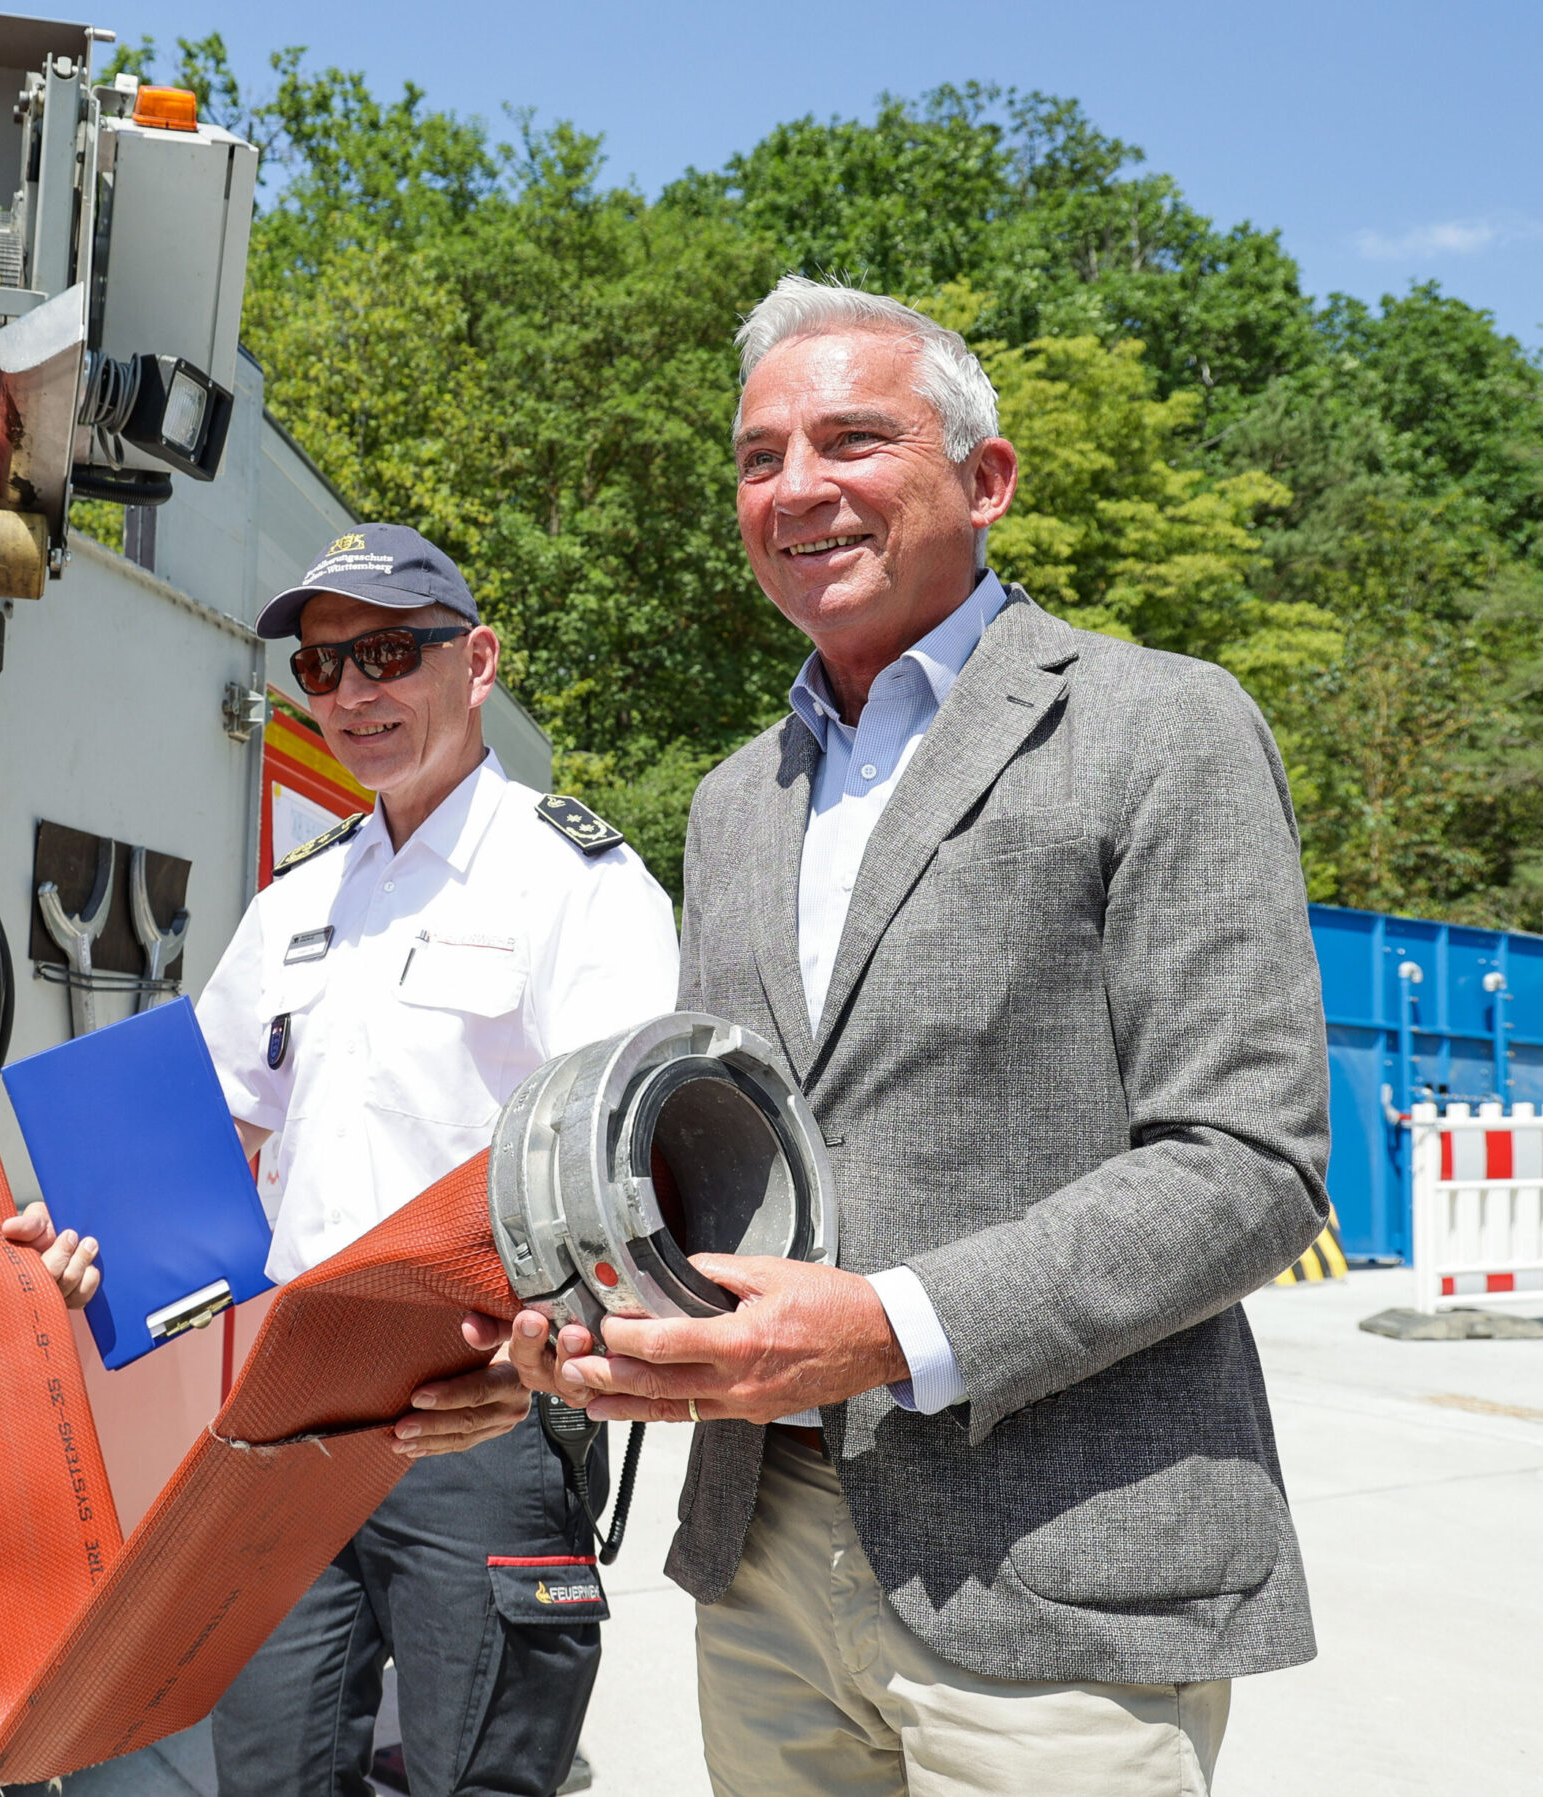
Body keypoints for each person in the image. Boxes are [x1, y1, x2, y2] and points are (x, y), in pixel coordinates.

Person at [480, 276, 1331, 1796]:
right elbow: (726, 1150)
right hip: (763, 1554)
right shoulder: (734, 801)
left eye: (852, 440)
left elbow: (1248, 1162)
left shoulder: (1161, 724)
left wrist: (889, 1327)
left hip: (1055, 1572)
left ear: (985, 480)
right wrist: (609, 1318)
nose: (795, 486)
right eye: (758, 458)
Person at [6, 523, 680, 1797]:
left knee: (477, 1782)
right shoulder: (299, 901)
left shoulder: (576, 883)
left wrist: (547, 1369)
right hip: (295, 1416)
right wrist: (92, 1224)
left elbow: (627, 1160)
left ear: (476, 662)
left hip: (479, 1410)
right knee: (268, 1772)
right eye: (320, 667)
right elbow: (221, 1124)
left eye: (387, 654)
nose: (350, 692)